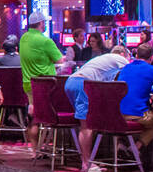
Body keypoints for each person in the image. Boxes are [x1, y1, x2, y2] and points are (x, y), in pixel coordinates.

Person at [68, 45, 130, 162]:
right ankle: (86, 163)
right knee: (86, 126)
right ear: (123, 54)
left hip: (71, 82)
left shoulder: (104, 61)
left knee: (87, 123)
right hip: (83, 84)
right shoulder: (120, 58)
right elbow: (132, 73)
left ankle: (88, 161)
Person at [20, 10, 62, 151]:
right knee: (48, 116)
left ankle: (35, 149)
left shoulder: (23, 38)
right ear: (41, 23)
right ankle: (53, 145)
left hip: (29, 83)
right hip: (47, 85)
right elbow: (60, 60)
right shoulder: (45, 41)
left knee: (34, 118)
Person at [114, 43, 153, 151]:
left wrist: (149, 92)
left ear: (136, 55)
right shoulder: (152, 70)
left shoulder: (125, 68)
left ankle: (121, 143)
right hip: (137, 114)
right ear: (152, 58)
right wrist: (151, 93)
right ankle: (135, 148)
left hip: (117, 114)